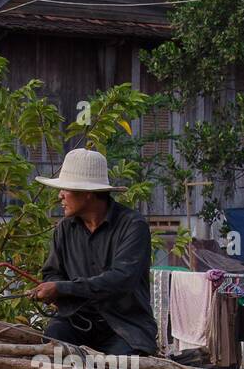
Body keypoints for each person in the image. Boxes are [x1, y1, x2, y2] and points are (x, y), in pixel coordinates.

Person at [29, 148, 157, 355]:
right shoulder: (64, 229)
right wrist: (52, 290)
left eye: (65, 189)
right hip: (76, 321)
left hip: (125, 327)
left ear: (87, 193)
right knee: (50, 349)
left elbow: (122, 279)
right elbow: (52, 273)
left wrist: (63, 288)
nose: (60, 195)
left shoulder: (133, 225)